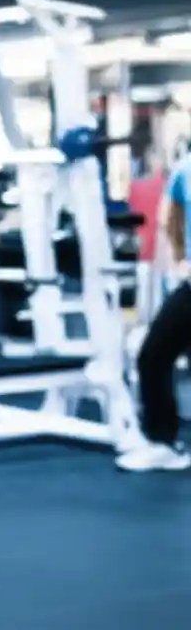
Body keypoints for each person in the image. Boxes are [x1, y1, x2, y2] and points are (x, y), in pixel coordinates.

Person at [122, 154, 191, 472]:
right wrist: (178, 259)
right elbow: (171, 214)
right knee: (153, 355)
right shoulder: (186, 167)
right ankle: (163, 442)